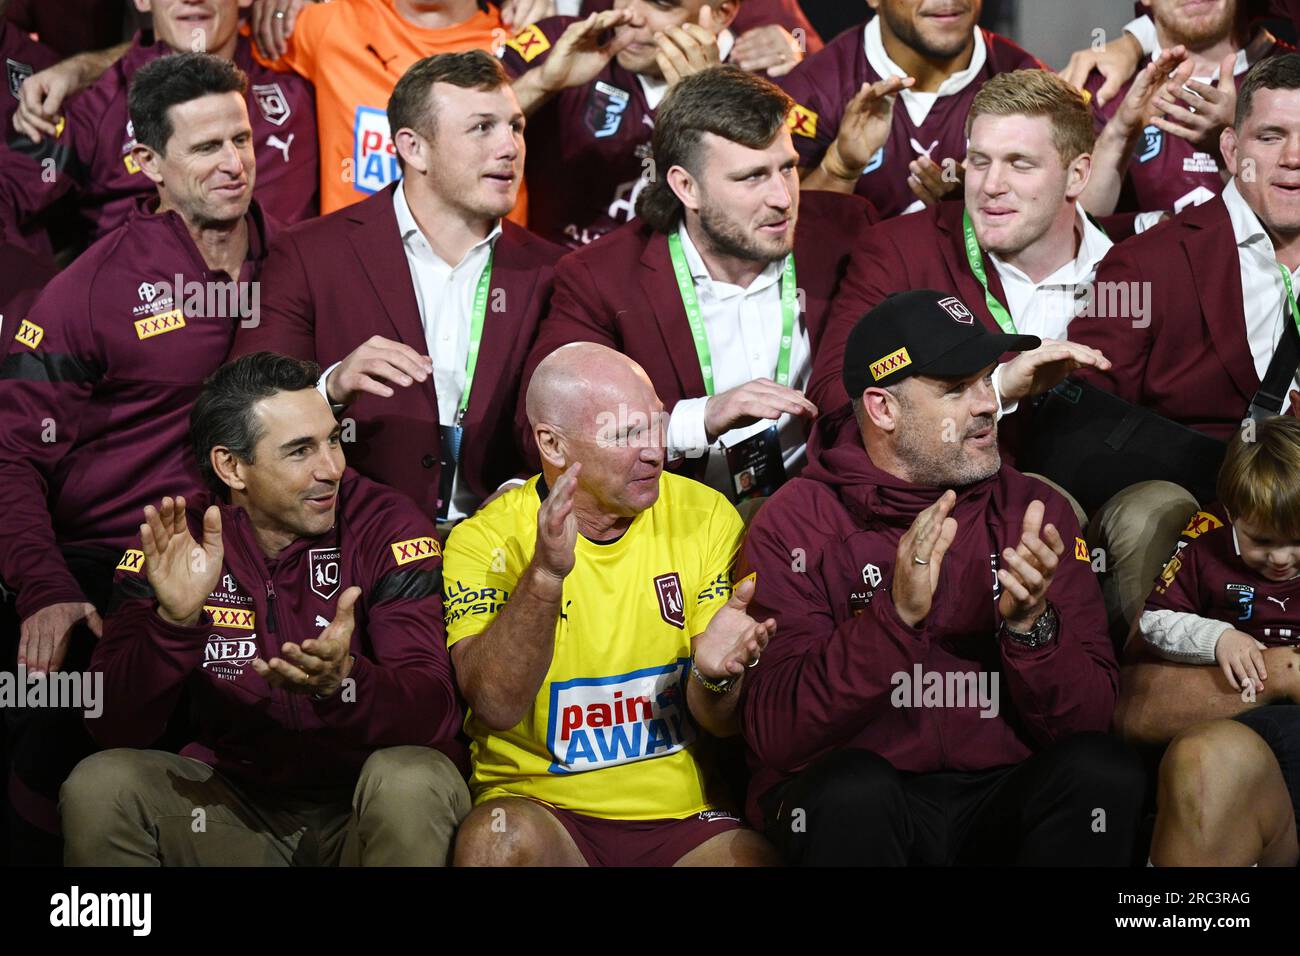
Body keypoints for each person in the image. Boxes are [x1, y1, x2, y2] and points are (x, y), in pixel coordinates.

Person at [738, 289, 1145, 865]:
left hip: (999, 789)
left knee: (1102, 771)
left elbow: (1090, 719)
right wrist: (892, 622)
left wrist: (1034, 631)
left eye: (986, 380)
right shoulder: (796, 522)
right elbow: (778, 733)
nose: (985, 405)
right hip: (870, 795)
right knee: (851, 790)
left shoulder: (1032, 511)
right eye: (956, 389)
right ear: (883, 409)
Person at [0, 52, 275, 861]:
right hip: (105, 569)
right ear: (148, 165)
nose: (233, 163)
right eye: (205, 148)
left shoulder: (291, 260)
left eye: (243, 139)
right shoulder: (88, 291)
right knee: (56, 753)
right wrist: (43, 589)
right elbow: (11, 454)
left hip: (256, 565)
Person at [60, 352, 469, 866]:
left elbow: (436, 713)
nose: (333, 468)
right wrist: (174, 626)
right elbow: (113, 726)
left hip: (366, 808)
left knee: (413, 779)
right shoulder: (175, 541)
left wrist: (346, 682)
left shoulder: (386, 524)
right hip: (233, 808)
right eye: (300, 451)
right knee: (101, 787)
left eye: (334, 440)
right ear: (231, 467)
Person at [446, 342, 779, 866]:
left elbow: (722, 723)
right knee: (495, 844)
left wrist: (716, 677)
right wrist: (546, 576)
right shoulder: (484, 540)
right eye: (626, 434)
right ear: (552, 446)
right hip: (544, 807)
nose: (654, 451)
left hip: (683, 816)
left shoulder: (706, 516)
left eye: (656, 427)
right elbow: (497, 705)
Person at [232, 51, 564, 524]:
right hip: (348, 543)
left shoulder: (553, 272)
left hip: (506, 549)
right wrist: (332, 387)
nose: (509, 147)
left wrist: (521, 495)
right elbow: (241, 405)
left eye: (515, 126)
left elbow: (572, 425)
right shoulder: (310, 253)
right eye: (482, 128)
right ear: (413, 147)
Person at [522, 66, 871, 506]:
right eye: (752, 177)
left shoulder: (846, 232)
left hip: (821, 517)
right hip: (669, 530)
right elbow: (545, 431)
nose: (783, 197)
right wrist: (698, 418)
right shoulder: (600, 279)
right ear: (685, 186)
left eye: (787, 168)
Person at [1070, 54, 1300, 641]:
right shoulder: (1146, 264)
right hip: (1201, 522)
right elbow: (1084, 422)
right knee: (1151, 510)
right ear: (1230, 149)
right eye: (1271, 137)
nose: (1294, 159)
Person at [808, 70, 1113, 447]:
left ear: (1077, 175)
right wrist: (995, 390)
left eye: (1020, 164)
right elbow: (838, 402)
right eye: (980, 161)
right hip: (933, 501)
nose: (991, 185)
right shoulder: (899, 251)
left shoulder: (1131, 270)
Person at [1117, 417, 1300, 865]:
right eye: (1262, 541)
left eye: (1298, 542)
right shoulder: (1205, 555)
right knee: (1209, 765)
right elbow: (1156, 622)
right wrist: (1217, 637)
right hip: (1229, 716)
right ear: (1233, 514)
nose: (1281, 559)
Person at [0, 0, 318, 245]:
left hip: (278, 313)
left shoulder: (301, 71)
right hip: (146, 316)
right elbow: (11, 190)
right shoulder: (98, 103)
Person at [502, 0, 744, 246]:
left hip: (673, 280)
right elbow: (466, 127)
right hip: (546, 272)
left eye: (660, 4)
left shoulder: (761, 81)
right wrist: (540, 84)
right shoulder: (560, 41)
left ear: (720, 13)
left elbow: (755, 218)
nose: (631, 15)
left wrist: (711, 107)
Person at [779, 0, 1044, 219]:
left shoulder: (1035, 88)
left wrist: (982, 205)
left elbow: (1068, 227)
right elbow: (784, 238)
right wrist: (839, 170)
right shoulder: (811, 91)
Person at [1079, 0, 1291, 219]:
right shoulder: (1104, 89)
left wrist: (1230, 146)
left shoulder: (1292, 77)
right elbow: (1075, 232)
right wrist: (1119, 135)